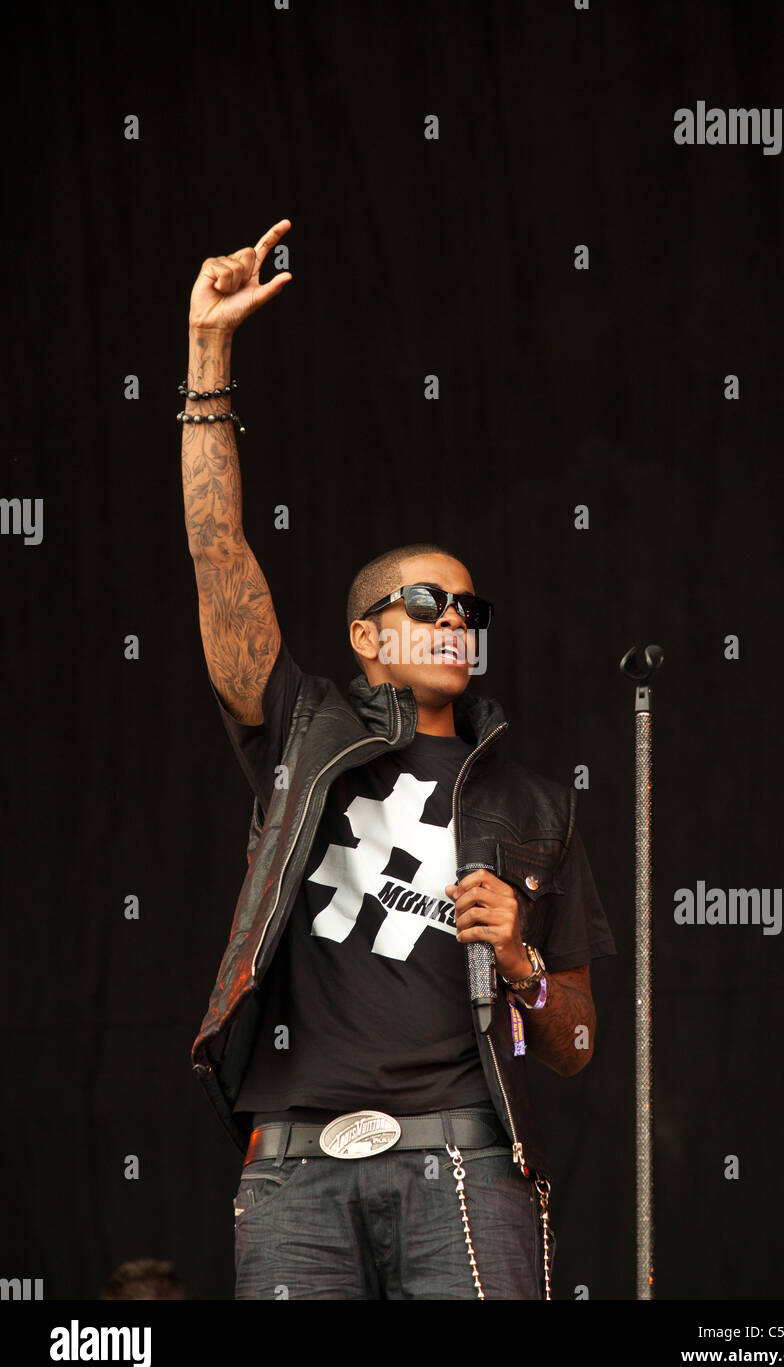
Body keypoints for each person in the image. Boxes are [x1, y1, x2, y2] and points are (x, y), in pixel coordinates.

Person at [181, 220, 616, 1300]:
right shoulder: (304, 731)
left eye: (468, 605)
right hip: (293, 1173)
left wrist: (519, 965)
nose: (452, 618)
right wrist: (206, 356)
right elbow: (217, 549)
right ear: (367, 636)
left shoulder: (528, 803)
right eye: (423, 601)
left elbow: (570, 1044)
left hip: (463, 1168)